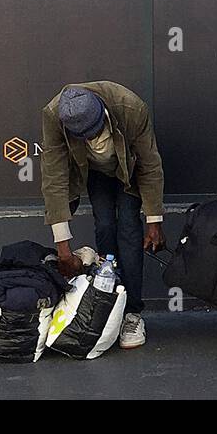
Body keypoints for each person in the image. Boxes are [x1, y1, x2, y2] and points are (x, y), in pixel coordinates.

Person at [40, 81, 165, 349]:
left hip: (128, 169)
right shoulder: (54, 116)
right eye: (82, 136)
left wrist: (155, 221)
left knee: (129, 227)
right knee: (105, 225)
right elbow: (54, 177)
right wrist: (63, 250)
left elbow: (150, 164)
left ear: (103, 114)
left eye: (93, 132)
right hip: (94, 172)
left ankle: (132, 312)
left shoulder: (130, 107)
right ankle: (110, 300)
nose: (89, 138)